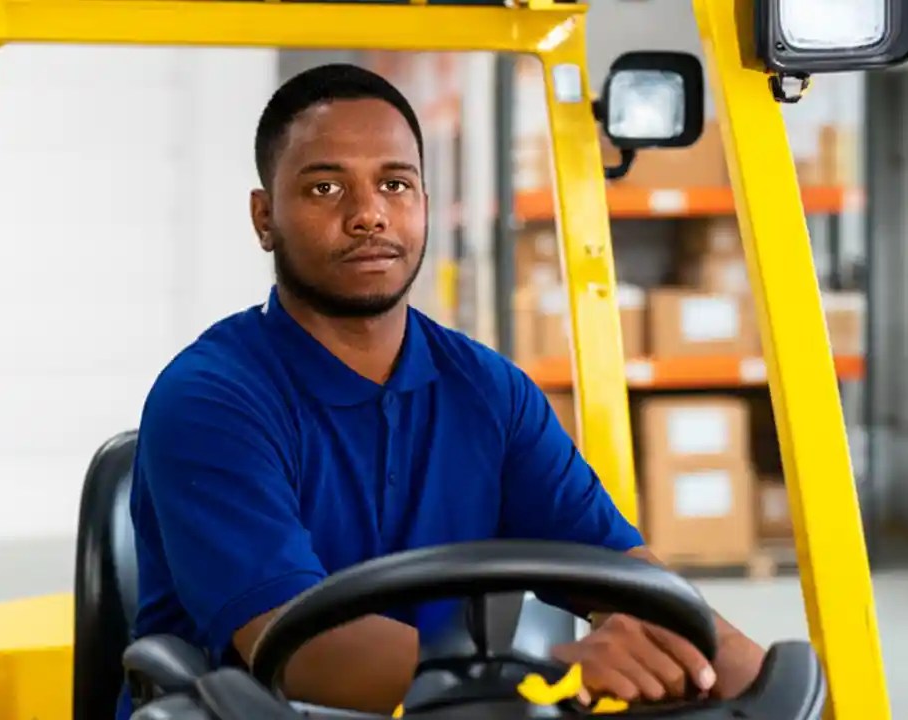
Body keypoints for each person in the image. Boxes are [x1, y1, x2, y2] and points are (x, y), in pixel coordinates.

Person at [123, 63, 765, 717]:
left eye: (395, 183)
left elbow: (630, 581)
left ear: (424, 203)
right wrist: (544, 676)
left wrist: (758, 674)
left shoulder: (492, 393)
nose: (368, 214)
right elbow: (300, 650)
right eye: (324, 187)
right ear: (265, 218)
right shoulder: (210, 400)